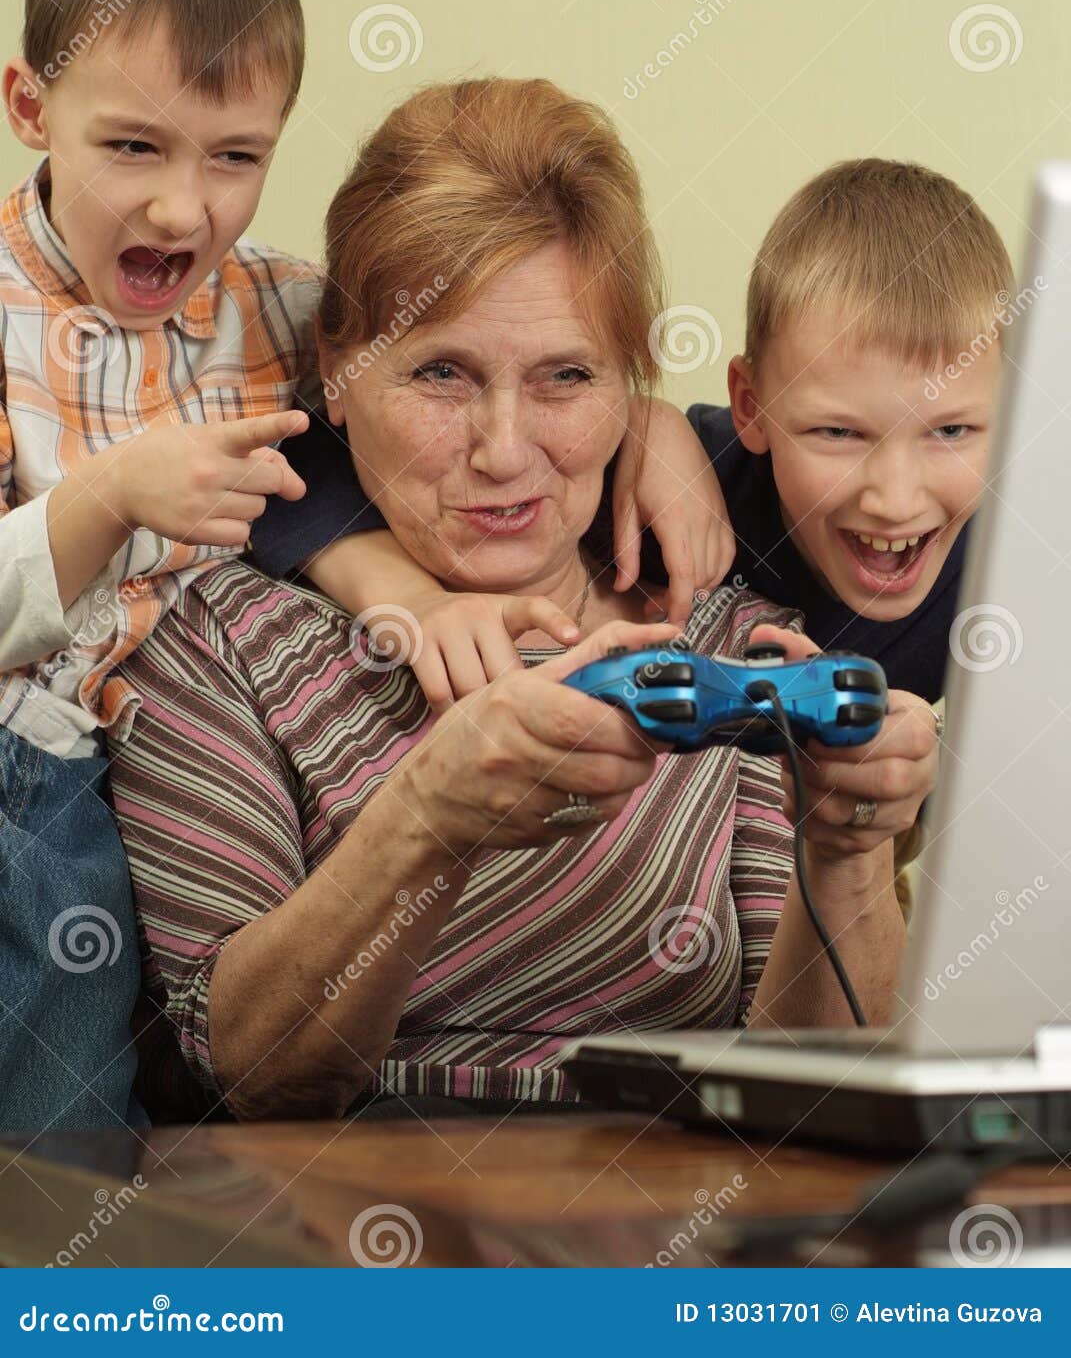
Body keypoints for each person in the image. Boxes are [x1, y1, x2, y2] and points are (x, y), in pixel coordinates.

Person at [107, 78, 938, 1123]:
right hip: (341, 1243)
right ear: (338, 365)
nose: (504, 451)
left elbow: (812, 1100)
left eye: (564, 378)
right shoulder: (209, 639)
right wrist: (424, 823)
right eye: (442, 373)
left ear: (632, 385)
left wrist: (850, 852)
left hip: (673, 1238)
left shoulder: (726, 633)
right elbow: (249, 1070)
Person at [252, 158, 1012, 706]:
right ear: (750, 410)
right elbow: (294, 453)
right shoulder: (674, 486)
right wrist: (399, 592)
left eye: (950, 430)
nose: (893, 497)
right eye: (838, 434)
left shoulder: (1021, 575)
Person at [0, 0, 319, 1132]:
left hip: (195, 761)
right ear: (30, 106)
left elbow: (480, 342)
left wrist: (673, 439)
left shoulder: (283, 306)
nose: (185, 208)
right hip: (31, 762)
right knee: (59, 1124)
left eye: (235, 157)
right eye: (132, 145)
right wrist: (110, 496)